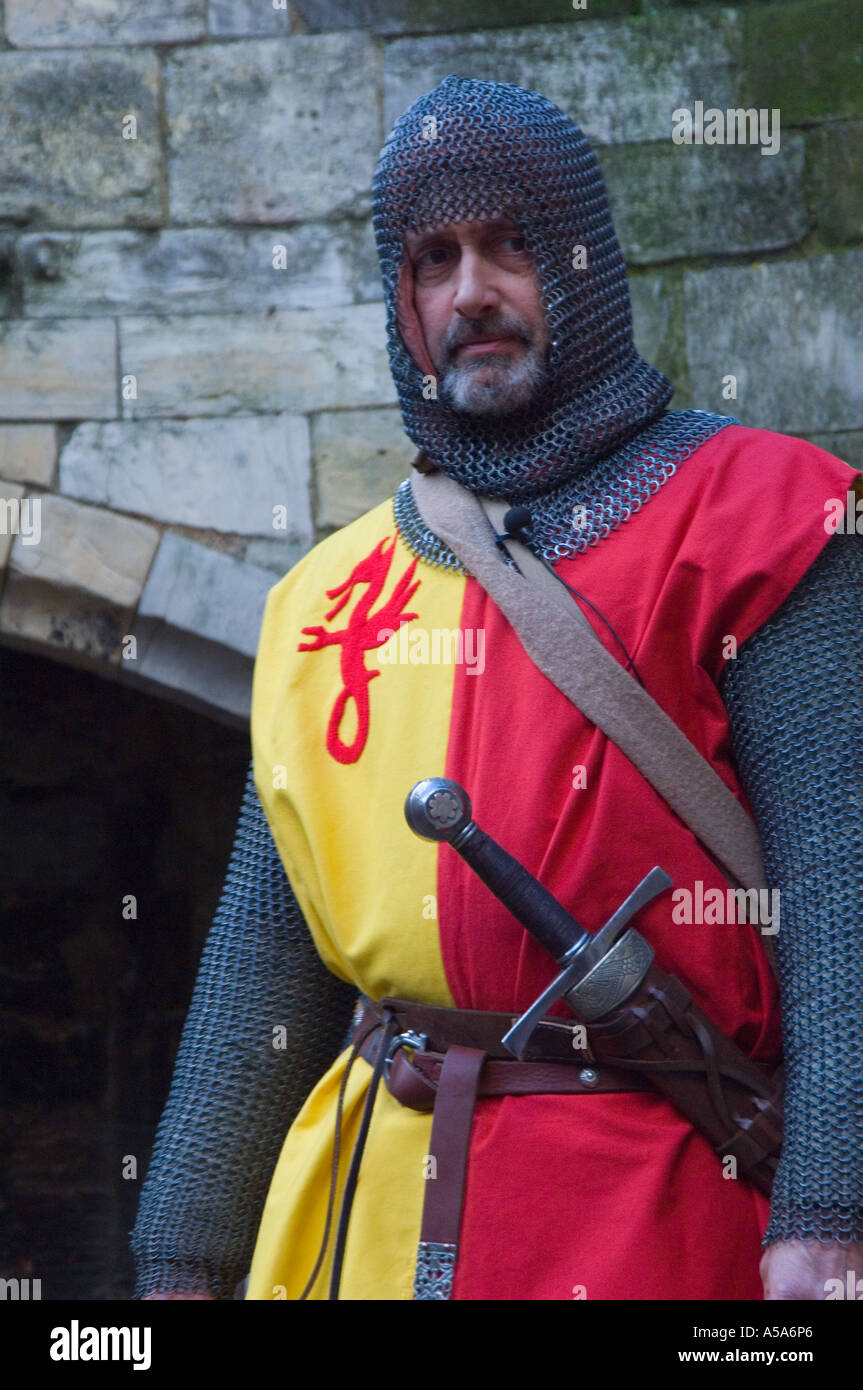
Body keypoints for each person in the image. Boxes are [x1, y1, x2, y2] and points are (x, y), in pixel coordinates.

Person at [131, 76, 863, 1301]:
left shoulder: (759, 521)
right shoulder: (322, 604)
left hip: (659, 1216)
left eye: (509, 246)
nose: (470, 291)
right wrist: (178, 1265)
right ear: (401, 301)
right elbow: (266, 968)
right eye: (432, 260)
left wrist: (832, 1213)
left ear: (582, 263)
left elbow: (842, 894)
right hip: (366, 1221)